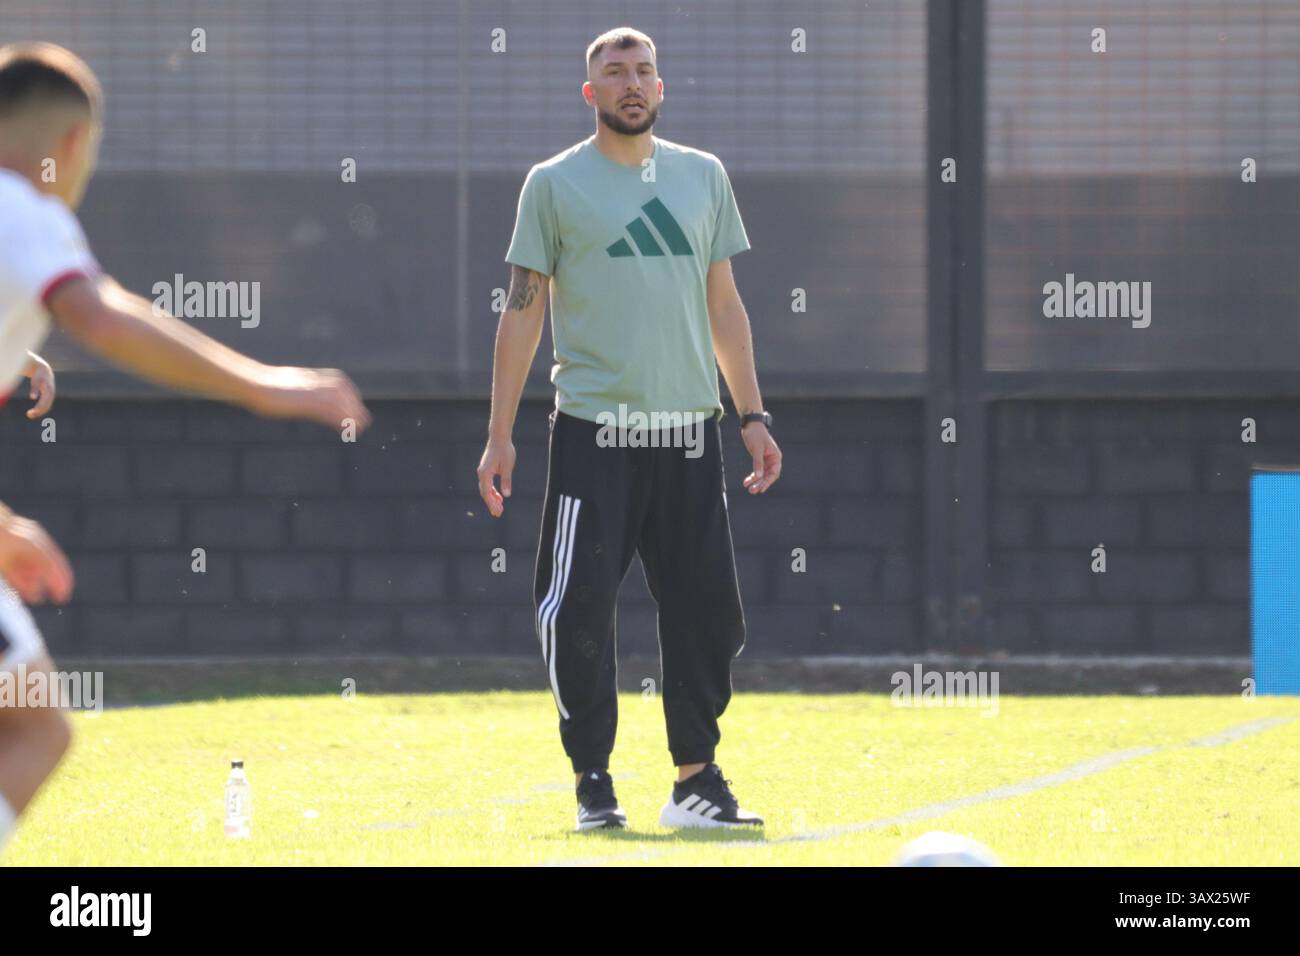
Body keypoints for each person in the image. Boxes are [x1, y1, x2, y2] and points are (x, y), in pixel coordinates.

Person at [0, 41, 371, 854]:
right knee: (33, 729)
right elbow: (102, 314)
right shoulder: (27, 211)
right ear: (69, 147)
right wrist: (265, 383)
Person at [476, 27, 782, 831]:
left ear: (661, 86)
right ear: (592, 94)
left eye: (644, 70)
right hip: (593, 437)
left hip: (689, 434)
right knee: (575, 609)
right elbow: (521, 312)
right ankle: (593, 781)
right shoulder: (553, 185)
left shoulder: (703, 177)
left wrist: (751, 414)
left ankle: (696, 782)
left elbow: (725, 307)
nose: (632, 82)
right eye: (615, 72)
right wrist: (499, 433)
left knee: (709, 611)